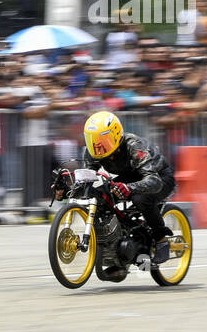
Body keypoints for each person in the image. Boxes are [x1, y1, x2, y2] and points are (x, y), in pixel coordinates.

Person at [63, 110, 177, 264]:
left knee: (140, 198)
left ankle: (161, 240)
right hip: (131, 176)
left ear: (117, 135)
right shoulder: (93, 153)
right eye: (93, 141)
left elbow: (153, 181)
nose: (99, 147)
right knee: (101, 195)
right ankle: (114, 246)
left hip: (159, 177)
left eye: (103, 140)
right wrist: (65, 190)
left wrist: (129, 188)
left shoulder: (135, 146)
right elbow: (86, 183)